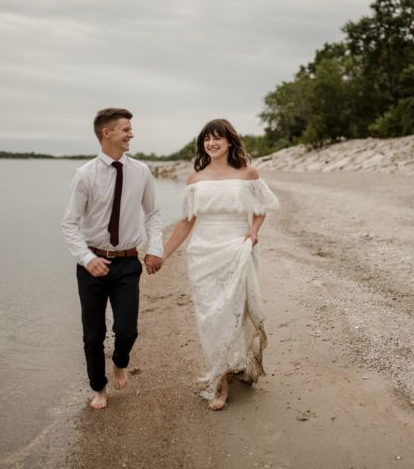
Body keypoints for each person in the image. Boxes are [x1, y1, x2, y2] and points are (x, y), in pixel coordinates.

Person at [162, 118, 279, 411]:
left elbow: (260, 208)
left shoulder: (247, 173)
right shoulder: (195, 178)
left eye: (217, 138)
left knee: (233, 314)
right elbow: (187, 220)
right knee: (210, 317)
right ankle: (220, 377)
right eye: (206, 139)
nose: (211, 144)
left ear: (229, 141)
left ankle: (228, 369)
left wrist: (254, 231)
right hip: (203, 253)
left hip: (236, 248)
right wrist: (163, 254)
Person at [62, 107, 163, 410]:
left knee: (128, 329)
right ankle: (98, 387)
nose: (131, 134)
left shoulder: (141, 171)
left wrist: (154, 248)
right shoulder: (84, 175)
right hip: (91, 264)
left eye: (130, 129)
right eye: (125, 129)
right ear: (107, 133)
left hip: (128, 262)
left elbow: (154, 213)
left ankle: (120, 361)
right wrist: (85, 256)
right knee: (93, 334)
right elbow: (70, 223)